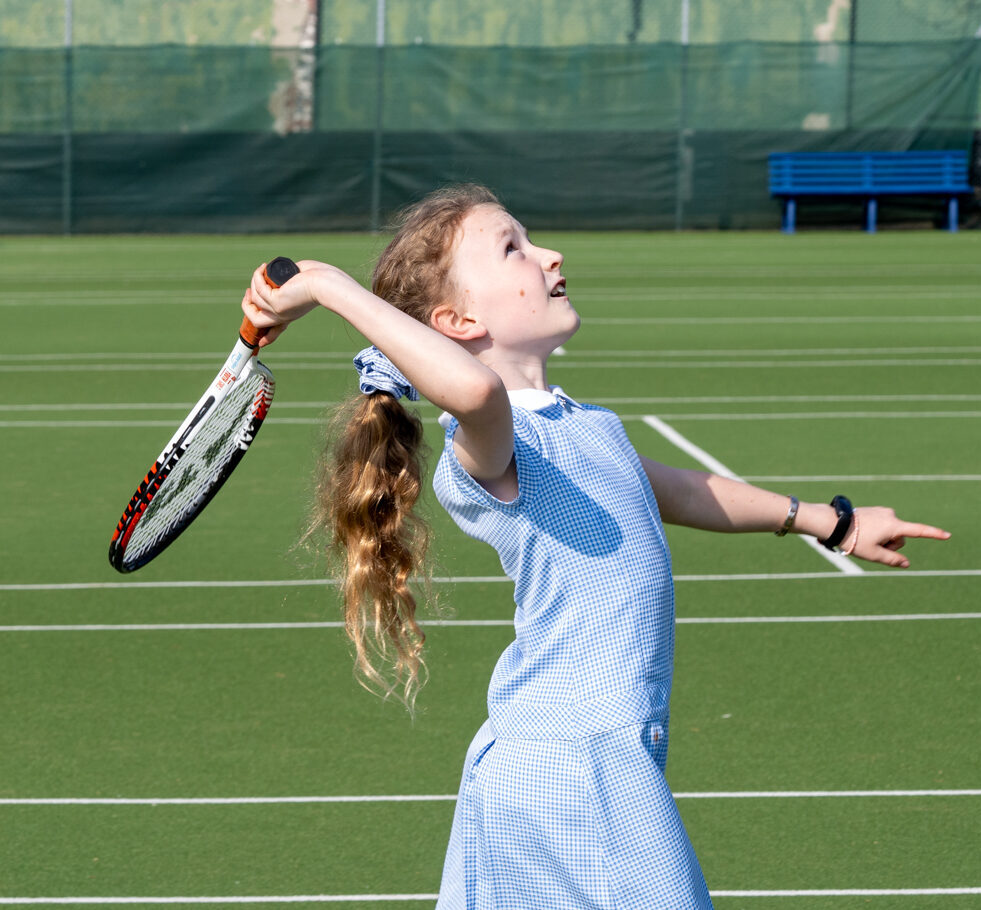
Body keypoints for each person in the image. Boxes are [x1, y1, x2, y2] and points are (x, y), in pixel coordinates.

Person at [239, 183, 950, 909]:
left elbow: (675, 490)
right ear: (456, 320)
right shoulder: (481, 449)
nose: (549, 255)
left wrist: (826, 521)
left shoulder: (583, 425)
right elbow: (474, 394)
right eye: (512, 248)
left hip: (590, 754)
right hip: (570, 761)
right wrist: (328, 285)